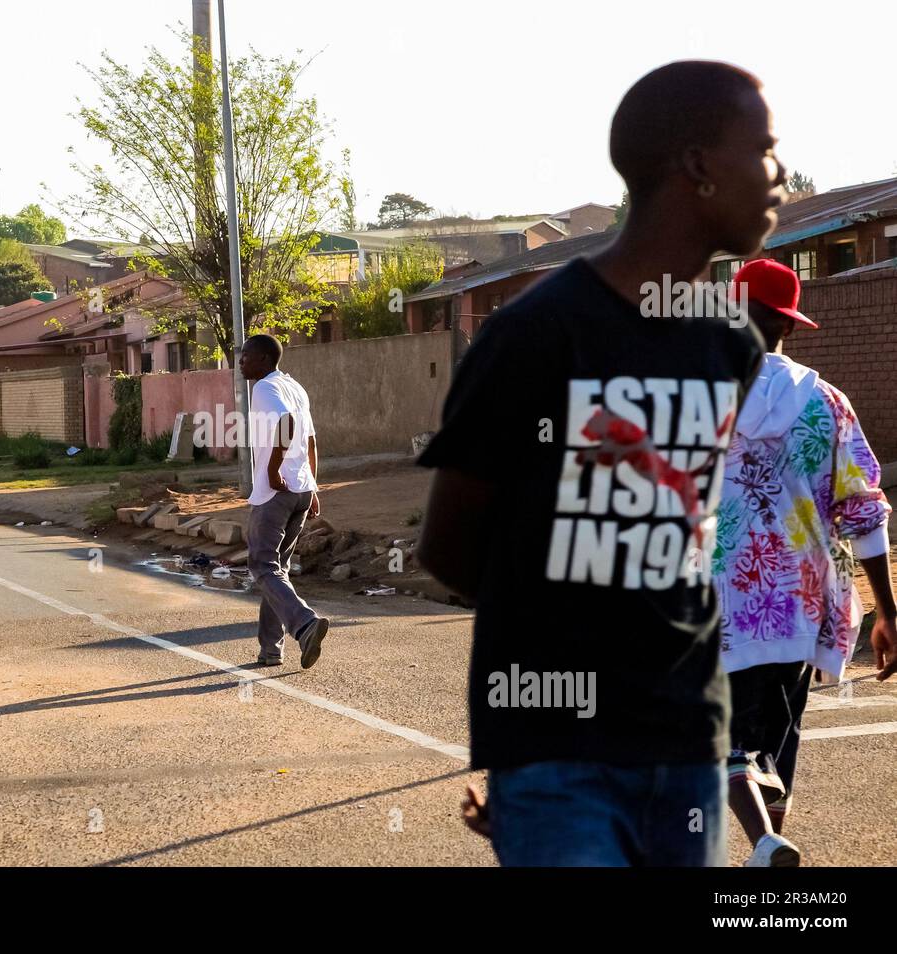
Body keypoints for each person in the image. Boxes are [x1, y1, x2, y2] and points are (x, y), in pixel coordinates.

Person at [416, 60, 785, 867]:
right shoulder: (536, 334)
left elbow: (680, 533)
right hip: (560, 755)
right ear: (696, 166)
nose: (780, 175)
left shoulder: (729, 346)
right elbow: (448, 545)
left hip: (689, 746)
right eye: (763, 151)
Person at [714, 258, 896, 867]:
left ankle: (765, 843)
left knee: (721, 740)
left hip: (724, 598)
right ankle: (773, 862)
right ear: (788, 323)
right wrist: (887, 613)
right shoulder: (828, 403)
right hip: (806, 595)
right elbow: (865, 513)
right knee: (777, 742)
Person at [239, 333, 328, 668]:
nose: (241, 361)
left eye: (246, 355)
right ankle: (270, 650)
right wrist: (314, 486)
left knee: (262, 566)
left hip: (277, 492)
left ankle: (304, 624)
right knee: (278, 570)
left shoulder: (264, 388)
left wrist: (274, 469)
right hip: (302, 489)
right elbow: (311, 442)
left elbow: (287, 424)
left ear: (263, 359)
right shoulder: (294, 386)